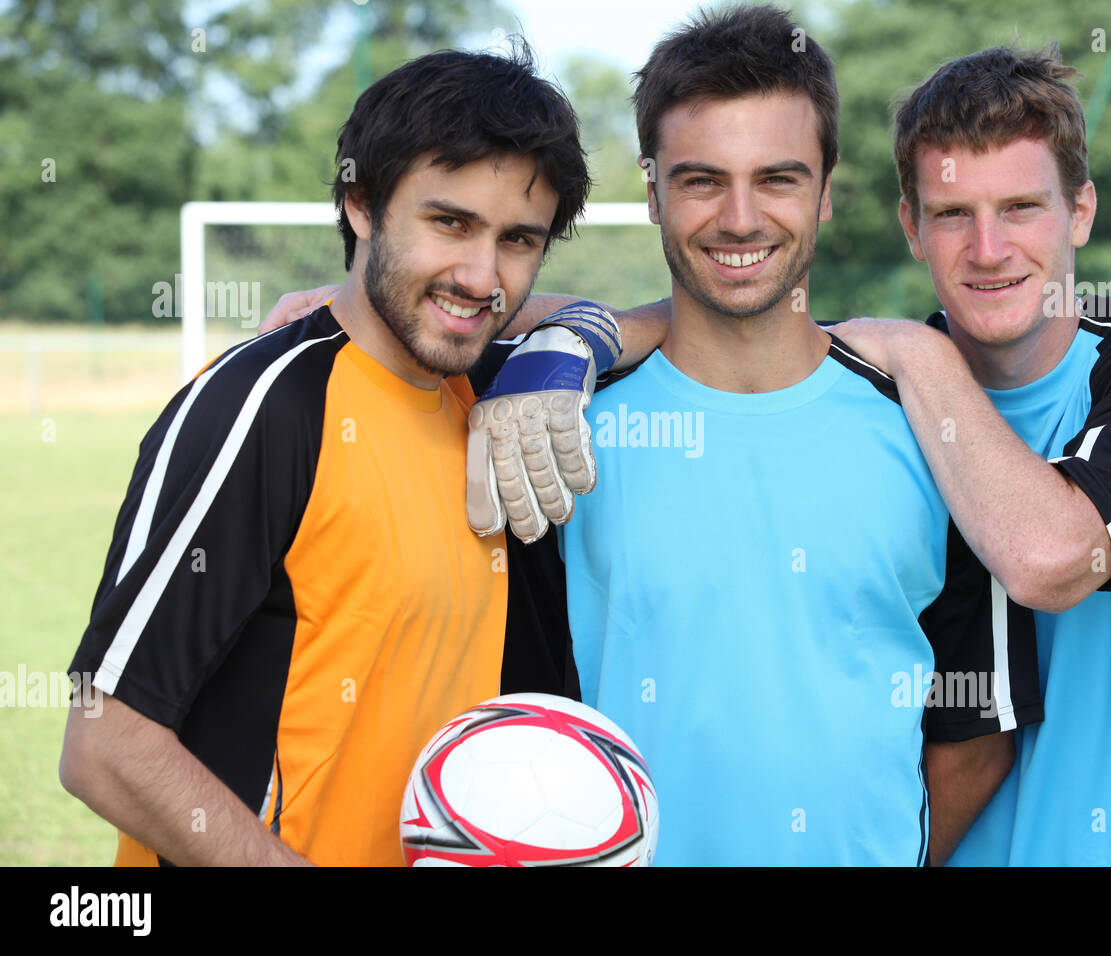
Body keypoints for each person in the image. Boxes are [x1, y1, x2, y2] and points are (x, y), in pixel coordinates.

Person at [482, 7, 1042, 866]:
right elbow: (523, 709)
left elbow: (974, 734)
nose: (740, 219)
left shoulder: (932, 430)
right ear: (653, 190)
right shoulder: (562, 423)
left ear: (825, 192)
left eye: (778, 179)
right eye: (702, 180)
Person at [58, 46, 614, 866]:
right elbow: (104, 743)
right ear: (361, 203)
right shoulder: (264, 407)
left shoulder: (482, 394)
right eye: (449, 222)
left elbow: (669, 320)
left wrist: (574, 338)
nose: (480, 274)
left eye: (518, 240)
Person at [834, 46, 1111, 865]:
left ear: (1081, 212)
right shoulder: (869, 405)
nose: (988, 249)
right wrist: (581, 336)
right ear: (912, 228)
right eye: (953, 214)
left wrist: (919, 356)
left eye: (1022, 206)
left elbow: (1052, 559)